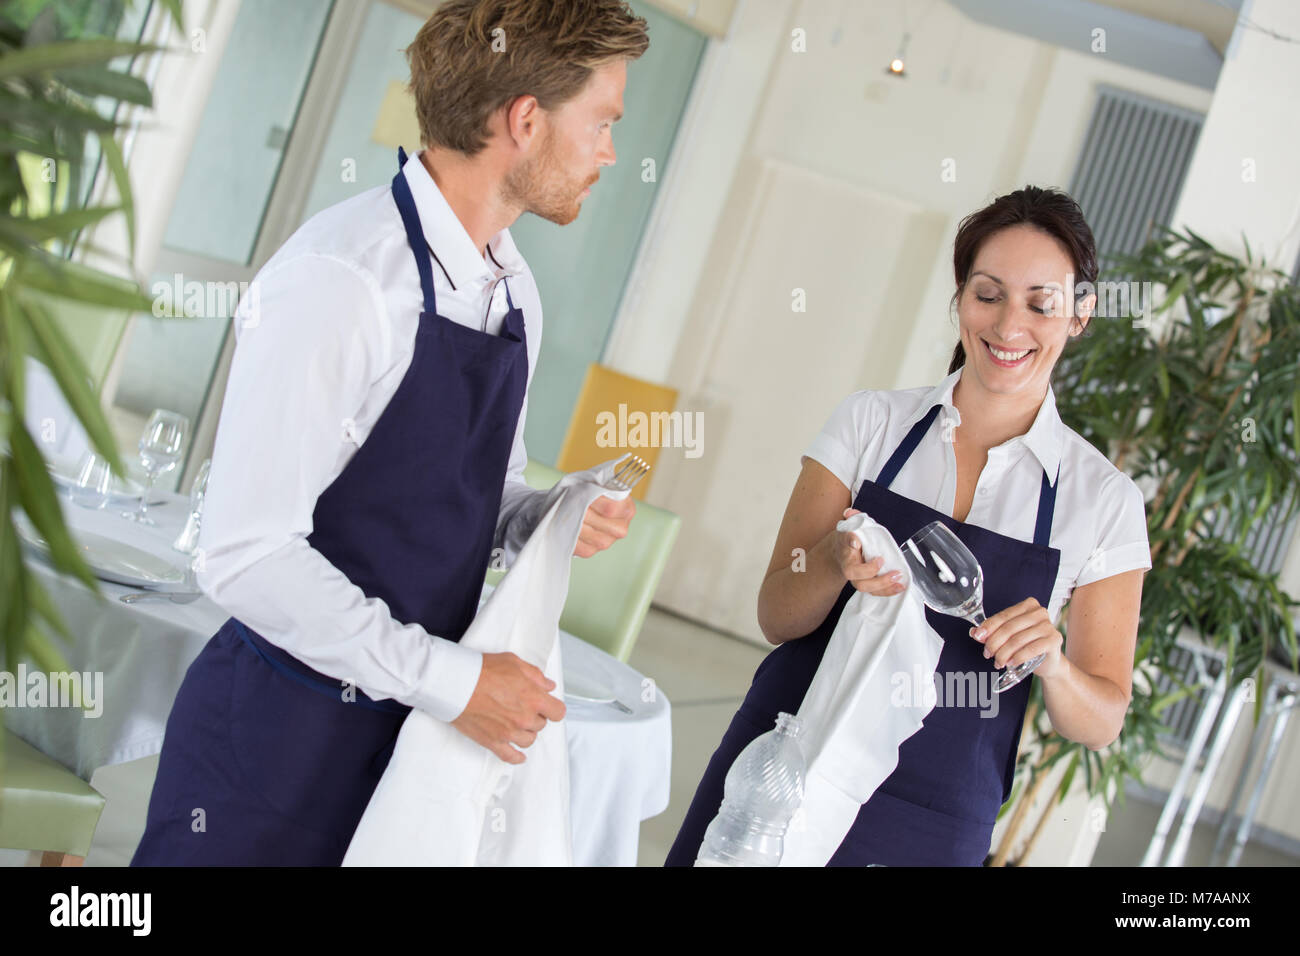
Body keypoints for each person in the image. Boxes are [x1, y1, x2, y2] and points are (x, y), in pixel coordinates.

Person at [132, 0, 649, 866]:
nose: (608, 152)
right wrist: (454, 683)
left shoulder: (513, 289)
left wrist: (550, 510)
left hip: (410, 748)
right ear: (525, 121)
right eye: (601, 123)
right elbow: (246, 554)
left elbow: (472, 494)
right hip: (277, 743)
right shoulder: (344, 279)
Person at [666, 185, 1151, 867]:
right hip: (785, 767)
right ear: (959, 299)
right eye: (988, 295)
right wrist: (834, 560)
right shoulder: (871, 424)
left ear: (1080, 315)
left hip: (931, 818)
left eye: (1041, 303)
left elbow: (1100, 721)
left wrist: (1056, 666)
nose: (1010, 326)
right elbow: (777, 615)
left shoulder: (1102, 500)